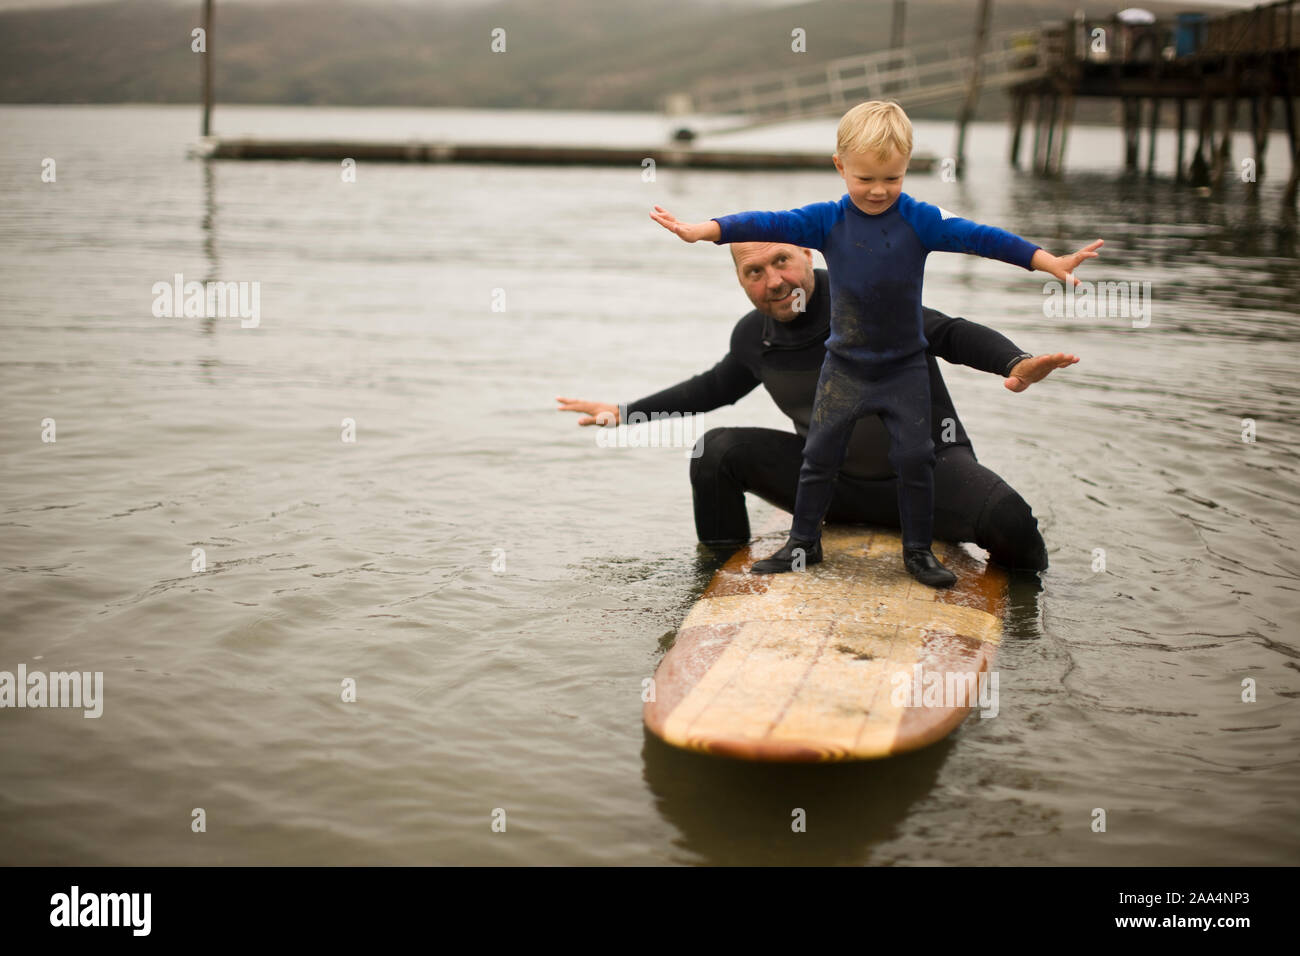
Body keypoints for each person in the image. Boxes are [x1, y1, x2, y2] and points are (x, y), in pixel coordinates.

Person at [649, 99, 1102, 586]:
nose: (879, 191)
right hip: (844, 369)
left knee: (916, 459)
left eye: (893, 178)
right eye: (865, 179)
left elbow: (982, 241)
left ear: (907, 168)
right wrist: (705, 231)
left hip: (904, 370)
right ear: (840, 167)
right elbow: (763, 221)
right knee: (816, 456)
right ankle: (799, 545)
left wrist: (1043, 267)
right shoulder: (824, 221)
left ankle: (919, 554)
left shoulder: (919, 219)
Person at [557, 240, 1079, 573]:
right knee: (716, 452)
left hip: (926, 476)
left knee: (1010, 521)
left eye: (780, 260)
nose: (773, 281)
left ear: (809, 254)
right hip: (829, 486)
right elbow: (712, 388)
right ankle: (717, 573)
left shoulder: (870, 305)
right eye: (753, 272)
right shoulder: (753, 337)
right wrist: (625, 413)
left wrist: (1015, 361)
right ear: (741, 282)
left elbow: (949, 333)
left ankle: (1034, 609)